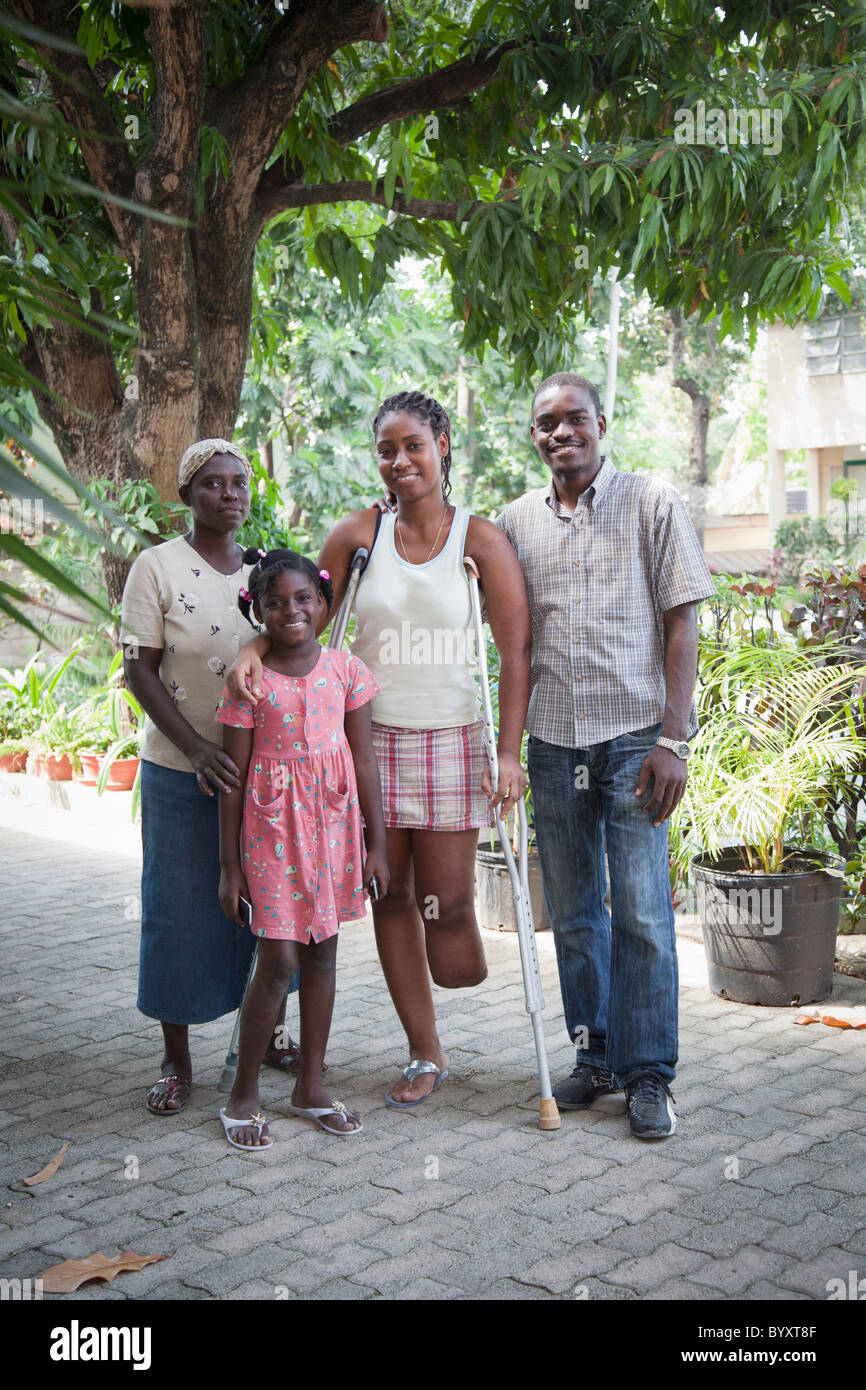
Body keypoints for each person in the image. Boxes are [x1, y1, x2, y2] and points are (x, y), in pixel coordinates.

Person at [227, 390, 531, 1107]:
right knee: (391, 895)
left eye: (414, 446)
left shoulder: (479, 540)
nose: (401, 461)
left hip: (456, 736)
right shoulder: (359, 535)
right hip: (369, 739)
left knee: (447, 908)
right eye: (388, 450)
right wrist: (250, 641)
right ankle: (425, 1052)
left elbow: (515, 654)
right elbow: (295, 609)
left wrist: (510, 753)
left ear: (443, 445)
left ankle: (448, 988)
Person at [496, 373, 714, 1139]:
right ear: (533, 435)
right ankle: (596, 1057)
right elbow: (465, 584)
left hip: (633, 742)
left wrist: (672, 740)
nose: (562, 432)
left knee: (645, 913)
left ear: (601, 422)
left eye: (574, 419)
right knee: (577, 916)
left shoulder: (652, 503)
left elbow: (683, 622)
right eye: (546, 422)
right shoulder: (515, 522)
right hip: (553, 743)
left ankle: (650, 1075)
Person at [121, 440, 301, 1116]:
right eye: (214, 484)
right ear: (187, 495)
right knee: (179, 909)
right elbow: (139, 668)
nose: (231, 494)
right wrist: (196, 749)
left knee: (270, 907)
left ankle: (273, 1032)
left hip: (266, 776)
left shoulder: (266, 569)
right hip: (181, 770)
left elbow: (303, 628)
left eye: (239, 482)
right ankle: (176, 1057)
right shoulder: (157, 567)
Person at [215, 549, 388, 1146]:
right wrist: (228, 868)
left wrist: (377, 846)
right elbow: (232, 781)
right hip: (272, 833)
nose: (291, 610)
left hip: (335, 830)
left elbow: (364, 759)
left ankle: (310, 1086)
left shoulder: (347, 671)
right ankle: (243, 1093)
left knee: (323, 956)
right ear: (256, 610)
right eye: (275, 602)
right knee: (281, 959)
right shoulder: (247, 679)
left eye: (303, 599)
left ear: (321, 602)